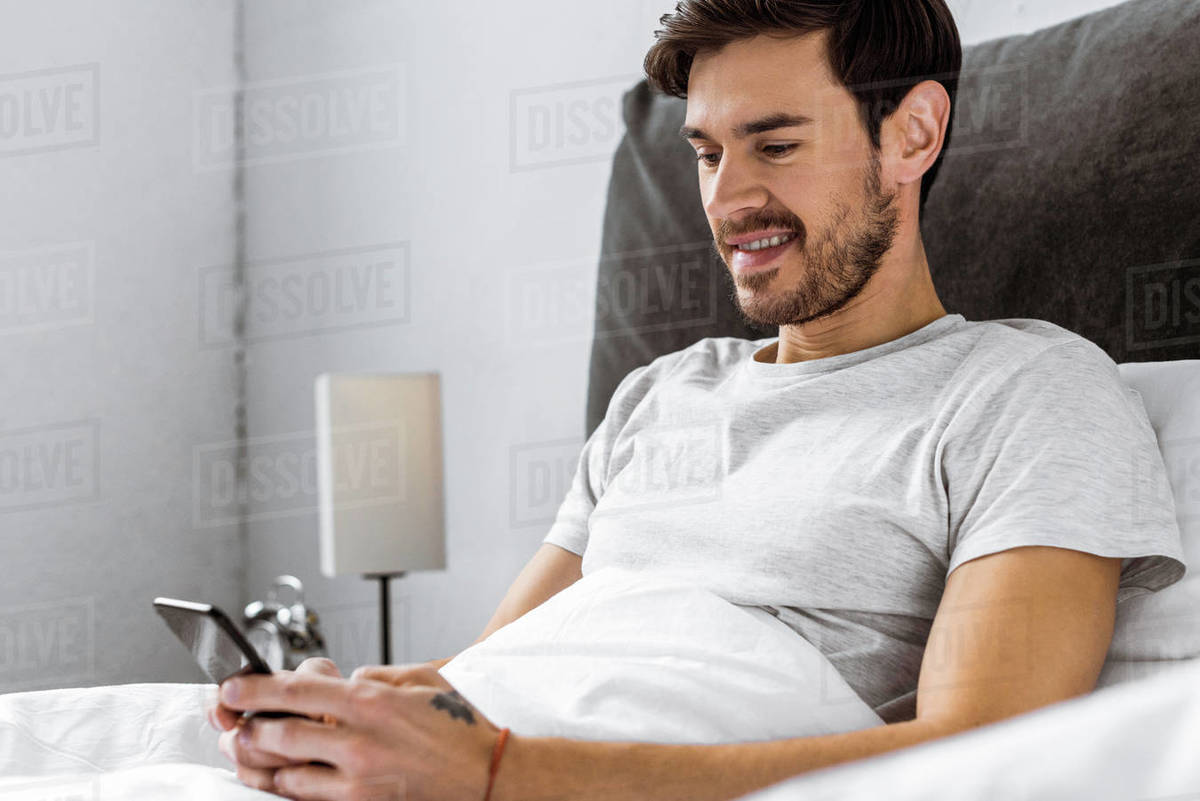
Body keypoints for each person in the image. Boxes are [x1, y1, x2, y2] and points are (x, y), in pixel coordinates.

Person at [208, 2, 1186, 799]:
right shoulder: (659, 395)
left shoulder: (1027, 392)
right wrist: (350, 719)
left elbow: (980, 762)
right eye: (710, 153)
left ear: (912, 133)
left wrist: (503, 773)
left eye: (775, 144)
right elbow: (492, 676)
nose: (725, 200)